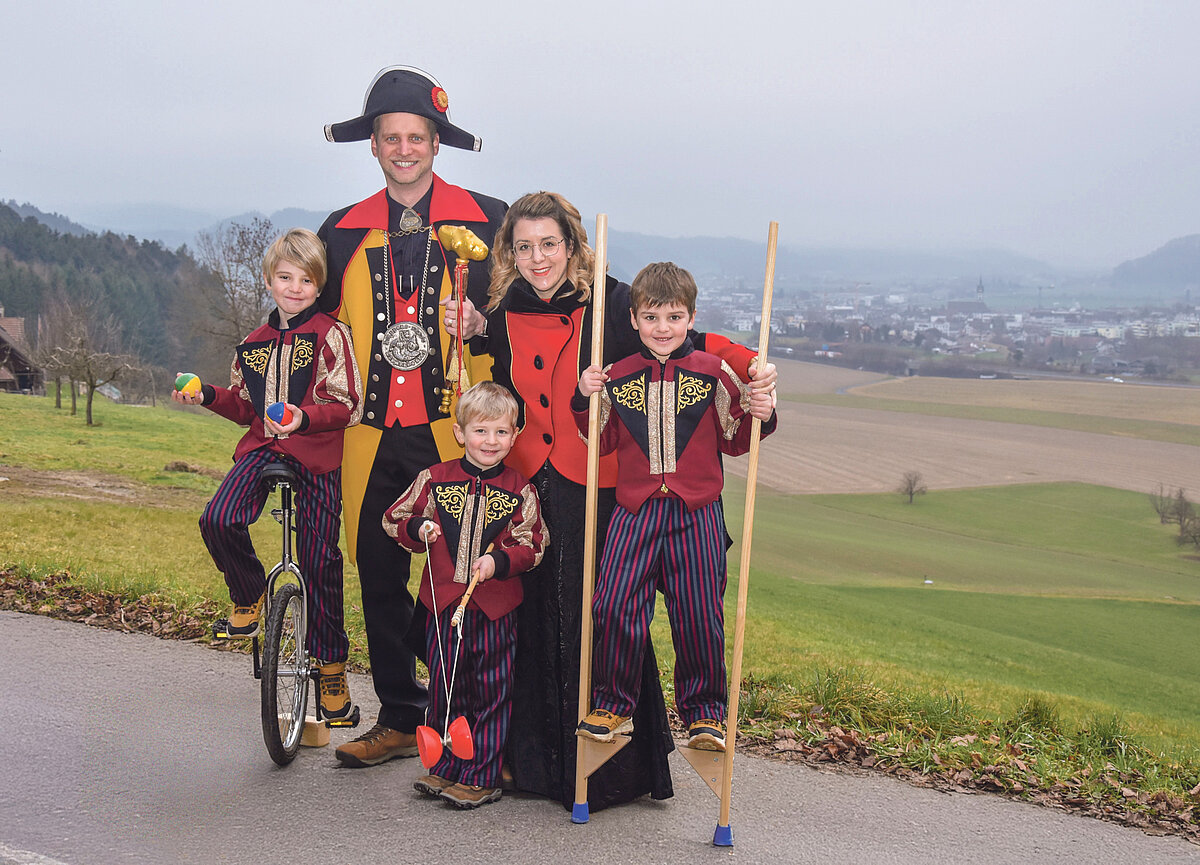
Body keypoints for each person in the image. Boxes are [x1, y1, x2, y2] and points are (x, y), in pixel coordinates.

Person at [477, 191, 777, 810]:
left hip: (603, 482)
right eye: (524, 246)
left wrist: (755, 368)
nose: (538, 258)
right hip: (530, 474)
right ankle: (533, 765)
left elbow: (696, 342)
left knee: (601, 616)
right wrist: (475, 332)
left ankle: (617, 771)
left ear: (572, 245)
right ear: (510, 251)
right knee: (536, 620)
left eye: (550, 244)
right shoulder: (504, 305)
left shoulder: (614, 300)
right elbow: (501, 377)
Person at [318, 66, 507, 767]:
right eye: (390, 137)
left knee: (459, 575)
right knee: (376, 571)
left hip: (459, 434)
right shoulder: (340, 232)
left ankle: (467, 720)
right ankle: (400, 715)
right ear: (373, 145)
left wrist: (483, 323)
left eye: (416, 137)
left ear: (436, 143)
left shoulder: (491, 219)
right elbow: (315, 330)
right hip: (368, 438)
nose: (404, 149)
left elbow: (534, 314)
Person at [573, 261, 777, 752]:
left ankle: (705, 714)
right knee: (613, 604)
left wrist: (761, 415)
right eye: (650, 318)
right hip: (633, 512)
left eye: (674, 318)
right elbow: (597, 442)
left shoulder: (714, 372)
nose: (662, 329)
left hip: (698, 514)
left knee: (699, 614)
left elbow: (735, 439)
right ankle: (612, 704)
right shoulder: (617, 376)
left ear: (691, 318)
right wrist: (585, 399)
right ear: (634, 321)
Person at [173, 228, 363, 720]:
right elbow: (243, 406)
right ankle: (250, 592)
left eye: (305, 280)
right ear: (269, 280)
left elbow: (348, 404)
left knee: (319, 559)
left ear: (318, 286)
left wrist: (304, 417)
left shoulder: (329, 334)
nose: (294, 287)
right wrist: (207, 395)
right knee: (217, 518)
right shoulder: (252, 344)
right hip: (261, 448)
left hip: (317, 454)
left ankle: (331, 669)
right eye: (285, 277)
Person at [382, 382, 547, 808]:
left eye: (501, 433)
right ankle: (444, 766)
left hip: (494, 610)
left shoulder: (519, 489)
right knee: (444, 687)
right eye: (480, 431)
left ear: (514, 436)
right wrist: (419, 529)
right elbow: (394, 518)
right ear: (460, 433)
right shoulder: (434, 479)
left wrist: (499, 563)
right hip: (442, 605)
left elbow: (534, 544)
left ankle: (482, 774)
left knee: (490, 691)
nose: (490, 441)